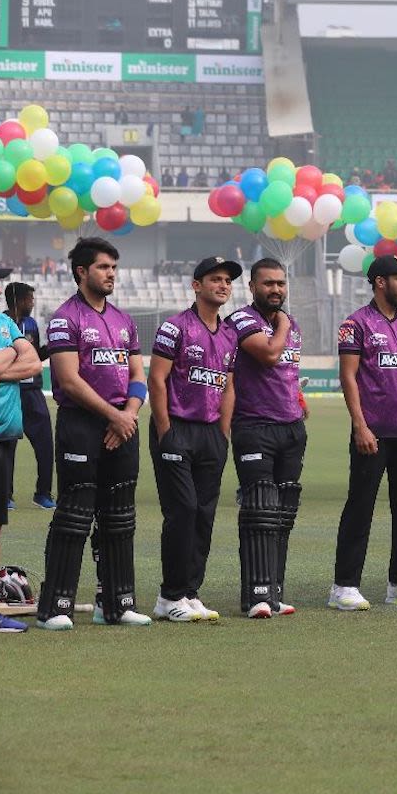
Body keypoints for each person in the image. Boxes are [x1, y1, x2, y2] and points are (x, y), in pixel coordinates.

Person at [36, 238, 152, 629]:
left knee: (119, 517)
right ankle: (56, 607)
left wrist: (129, 415)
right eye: (104, 267)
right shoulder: (65, 318)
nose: (112, 275)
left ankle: (116, 604)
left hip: (123, 424)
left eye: (115, 268)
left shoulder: (123, 319)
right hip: (81, 426)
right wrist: (113, 417)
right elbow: (67, 381)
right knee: (75, 514)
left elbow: (138, 375)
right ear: (83, 271)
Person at [330, 255, 397, 611]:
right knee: (360, 507)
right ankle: (344, 585)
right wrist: (360, 425)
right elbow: (348, 376)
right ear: (380, 282)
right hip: (373, 433)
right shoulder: (355, 323)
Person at [148, 256, 240, 621]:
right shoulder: (175, 327)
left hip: (211, 435)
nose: (223, 285)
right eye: (215, 279)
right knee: (182, 511)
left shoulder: (230, 334)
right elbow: (157, 379)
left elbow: (229, 387)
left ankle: (190, 592)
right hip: (177, 431)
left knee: (203, 515)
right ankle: (169, 597)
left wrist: (223, 434)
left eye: (227, 280)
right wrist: (165, 430)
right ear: (196, 285)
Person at [226, 257, 305, 618]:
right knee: (260, 509)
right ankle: (255, 595)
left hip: (290, 428)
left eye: (280, 284)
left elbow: (288, 372)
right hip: (254, 427)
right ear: (253, 287)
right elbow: (271, 355)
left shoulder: (290, 326)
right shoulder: (242, 320)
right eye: (268, 283)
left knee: (283, 513)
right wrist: (285, 323)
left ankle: (275, 590)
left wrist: (299, 402)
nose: (276, 290)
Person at [0, 261, 43, 633]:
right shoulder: (5, 328)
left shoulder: (2, 323)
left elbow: (34, 362)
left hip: (3, 441)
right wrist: (6, 358)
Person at [3, 282, 53, 509]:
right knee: (6, 446)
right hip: (10, 391)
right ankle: (5, 496)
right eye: (30, 299)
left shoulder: (32, 324)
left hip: (33, 392)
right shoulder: (1, 323)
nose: (32, 303)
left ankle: (42, 494)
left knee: (45, 444)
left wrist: (50, 347)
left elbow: (35, 357)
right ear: (20, 300)